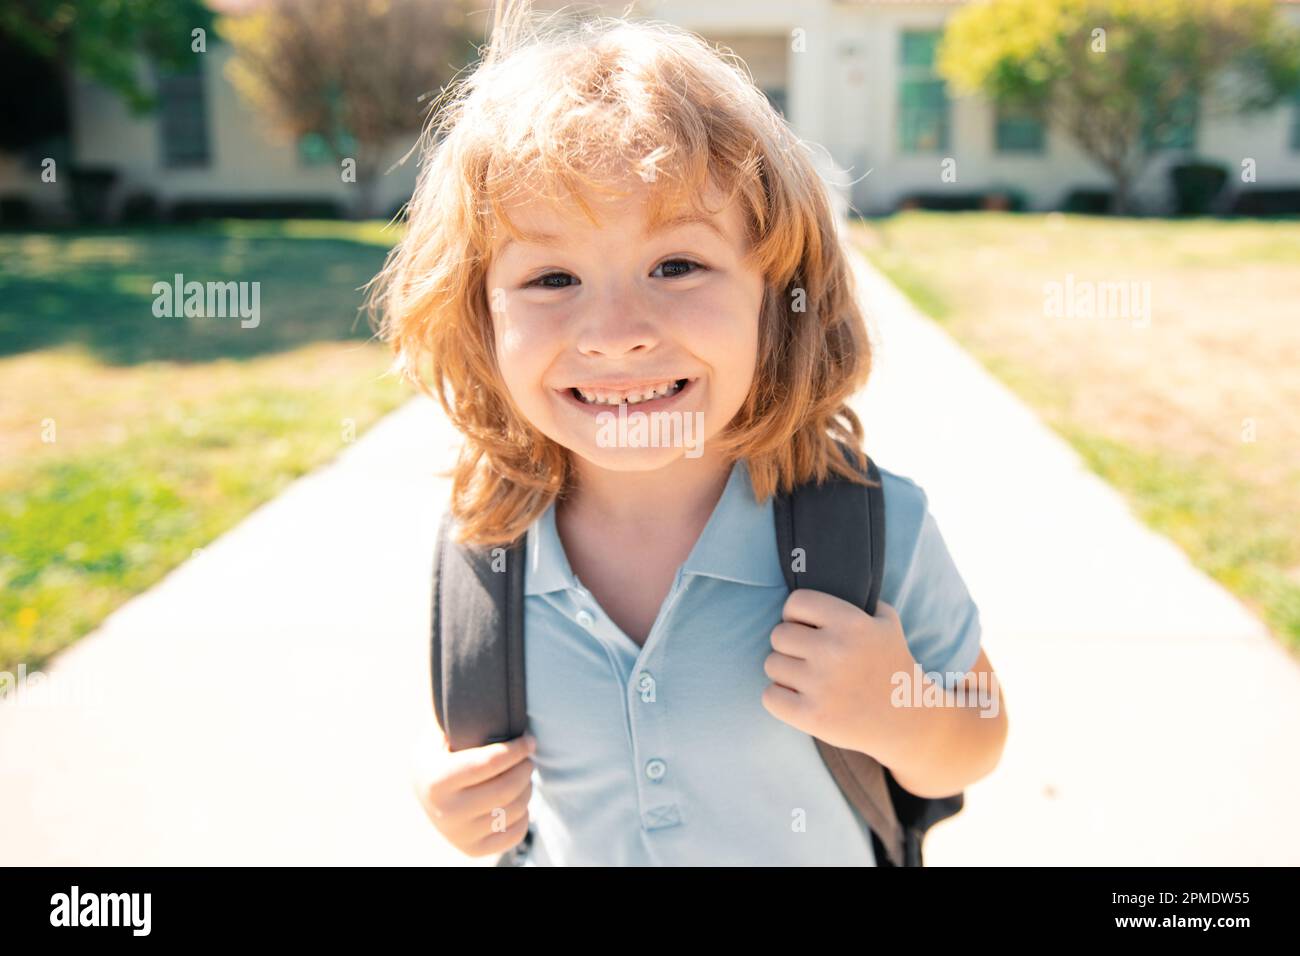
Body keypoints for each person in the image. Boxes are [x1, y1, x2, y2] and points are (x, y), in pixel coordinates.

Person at [369, 0, 1007, 866]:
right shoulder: (489, 546)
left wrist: (893, 711)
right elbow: (468, 732)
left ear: (778, 301)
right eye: (552, 277)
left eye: (677, 265)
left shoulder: (864, 527)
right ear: (481, 320)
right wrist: (437, 782)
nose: (616, 331)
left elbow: (979, 733)